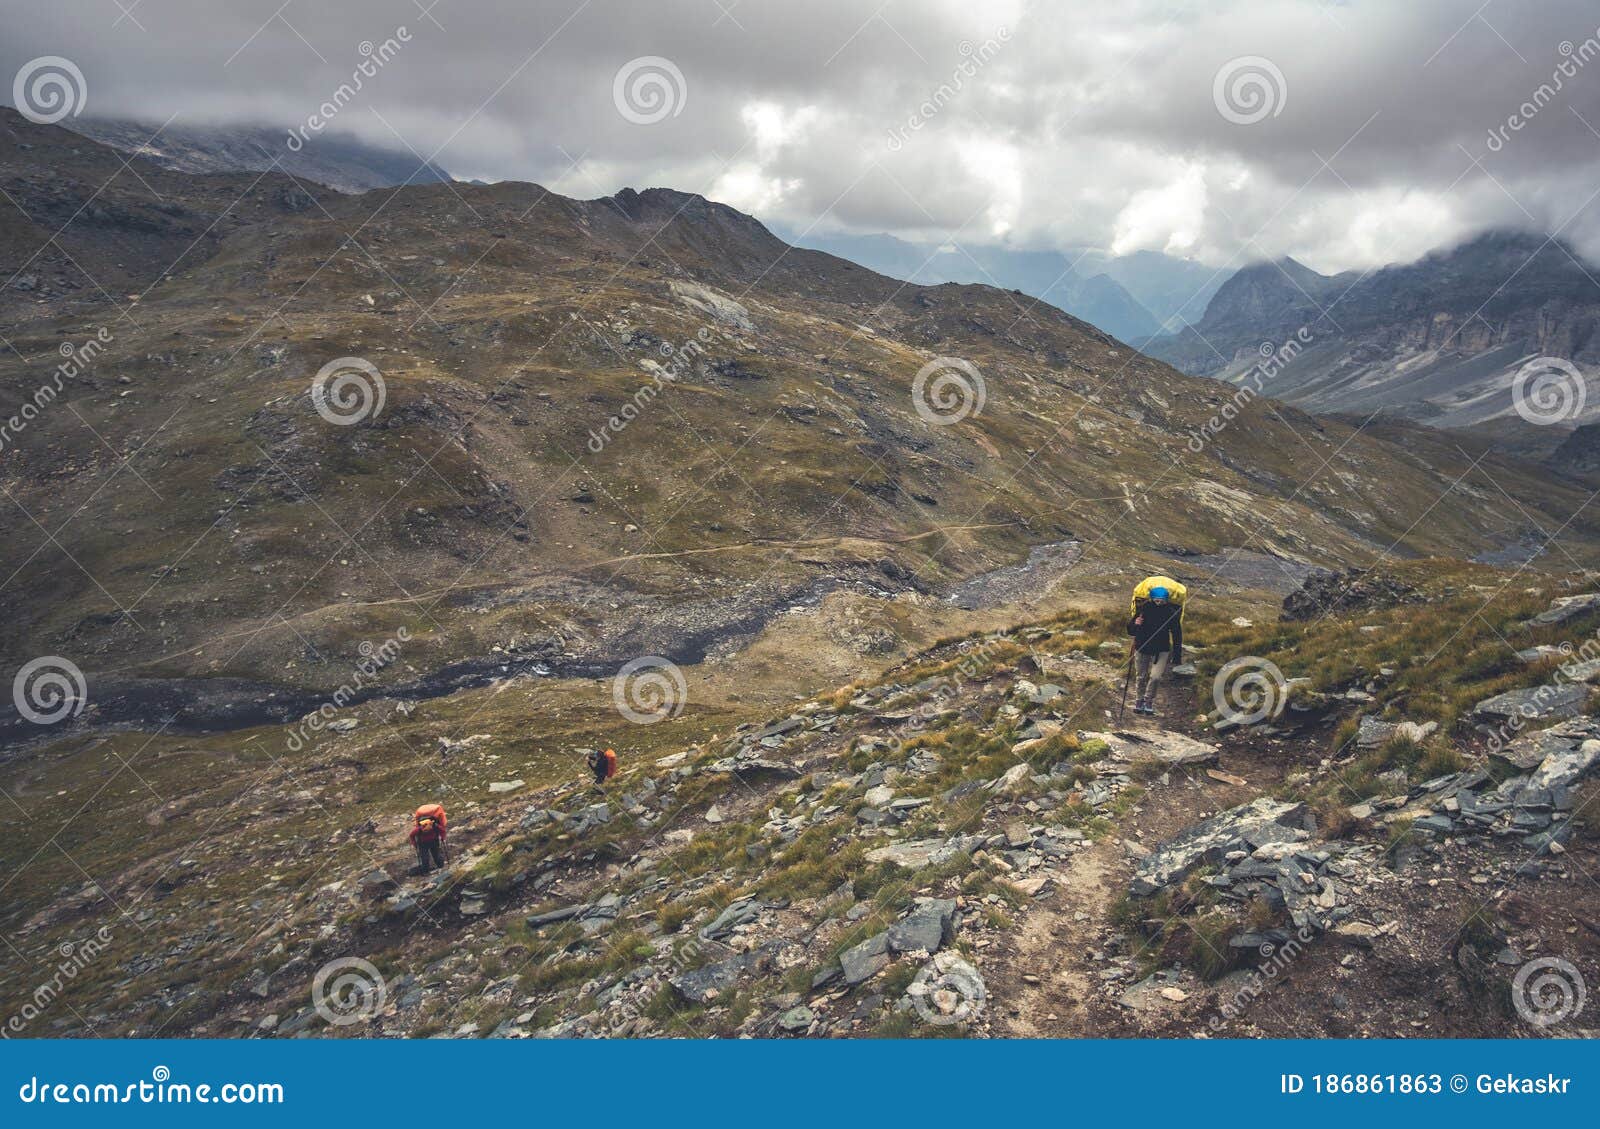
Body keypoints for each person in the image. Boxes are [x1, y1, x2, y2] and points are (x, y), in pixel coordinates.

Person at [1127, 576, 1186, 716]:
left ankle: (1148, 701)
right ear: (1152, 598)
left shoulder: (1172, 613)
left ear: (1166, 599)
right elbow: (1130, 630)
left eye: (1162, 600)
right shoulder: (1143, 610)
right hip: (1142, 647)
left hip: (1162, 649)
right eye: (1157, 599)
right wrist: (1136, 624)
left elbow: (1177, 634)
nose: (1159, 602)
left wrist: (1177, 656)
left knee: (1155, 677)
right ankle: (1139, 700)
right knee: (1141, 676)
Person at [409, 802, 448, 873]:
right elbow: (411, 835)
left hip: (429, 841)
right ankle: (433, 868)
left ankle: (438, 867)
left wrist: (443, 838)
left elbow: (442, 831)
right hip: (425, 842)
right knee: (429, 857)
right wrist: (414, 844)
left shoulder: (433, 826)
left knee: (433, 856)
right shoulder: (420, 828)